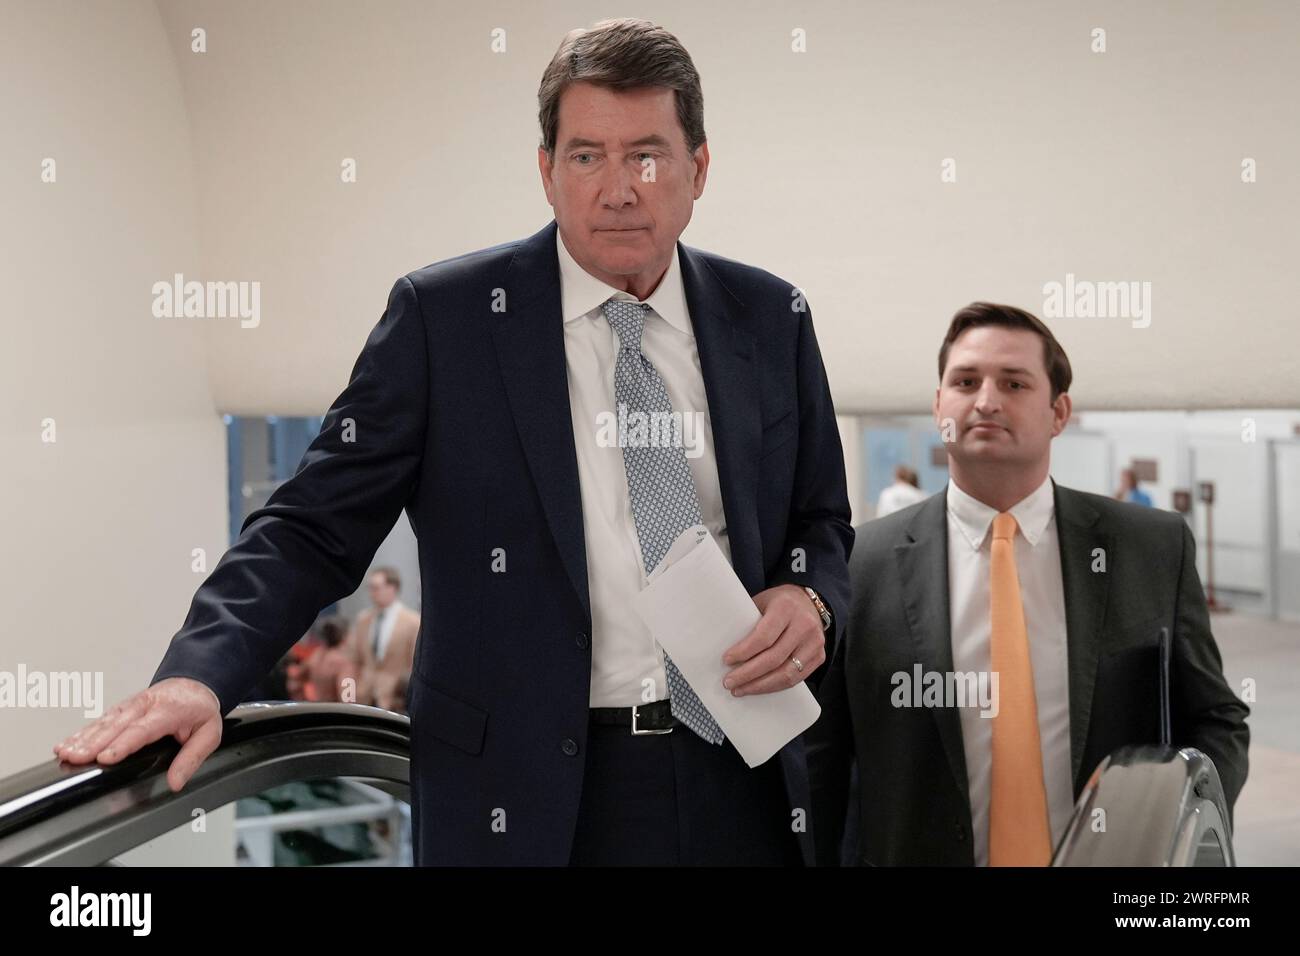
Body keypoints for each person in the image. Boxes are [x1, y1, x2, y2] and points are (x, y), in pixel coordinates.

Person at [53, 18, 853, 867]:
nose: (618, 188)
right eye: (586, 156)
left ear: (699, 168)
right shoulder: (448, 322)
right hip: (526, 798)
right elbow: (313, 524)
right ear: (546, 172)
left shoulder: (770, 318)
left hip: (745, 778)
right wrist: (199, 673)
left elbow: (820, 520)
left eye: (647, 156)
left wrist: (811, 602)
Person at [808, 302, 1248, 866]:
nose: (986, 400)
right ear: (940, 403)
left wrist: (1180, 838)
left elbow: (1216, 719)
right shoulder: (859, 562)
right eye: (965, 382)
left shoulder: (1149, 548)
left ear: (1058, 411)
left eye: (1014, 383)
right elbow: (824, 757)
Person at [349, 568, 418, 711]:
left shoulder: (413, 621)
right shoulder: (363, 619)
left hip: (395, 699)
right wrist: (349, 695)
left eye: (376, 588)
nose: (371, 593)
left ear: (393, 588)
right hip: (364, 696)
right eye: (370, 588)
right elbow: (354, 660)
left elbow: (414, 664)